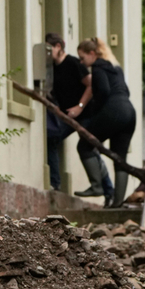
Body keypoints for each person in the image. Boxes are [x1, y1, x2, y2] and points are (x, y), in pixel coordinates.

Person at [72, 37, 137, 207]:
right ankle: (118, 203)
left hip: (113, 110)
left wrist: (96, 114)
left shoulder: (98, 67)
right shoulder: (115, 67)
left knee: (84, 145)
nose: (81, 62)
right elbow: (126, 91)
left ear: (92, 54)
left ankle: (96, 186)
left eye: (82, 57)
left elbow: (102, 92)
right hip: (129, 112)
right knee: (119, 157)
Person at [44, 33, 92, 194]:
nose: (47, 53)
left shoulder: (73, 63)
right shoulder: (52, 68)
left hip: (83, 113)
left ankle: (105, 188)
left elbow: (90, 85)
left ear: (58, 47)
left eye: (49, 49)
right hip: (66, 116)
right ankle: (55, 183)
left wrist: (80, 106)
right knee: (52, 138)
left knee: (89, 145)